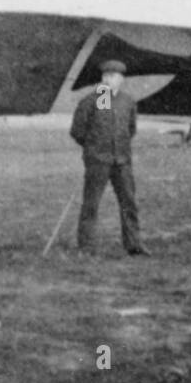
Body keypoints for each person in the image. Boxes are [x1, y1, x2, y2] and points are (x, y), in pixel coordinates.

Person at [70, 59, 151, 257]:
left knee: (129, 204)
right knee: (91, 204)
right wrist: (94, 150)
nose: (108, 80)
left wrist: (117, 149)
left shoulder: (127, 101)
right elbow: (78, 131)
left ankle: (134, 244)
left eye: (113, 76)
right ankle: (86, 247)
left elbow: (130, 129)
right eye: (105, 76)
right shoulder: (95, 100)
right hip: (98, 161)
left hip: (122, 161)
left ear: (121, 79)